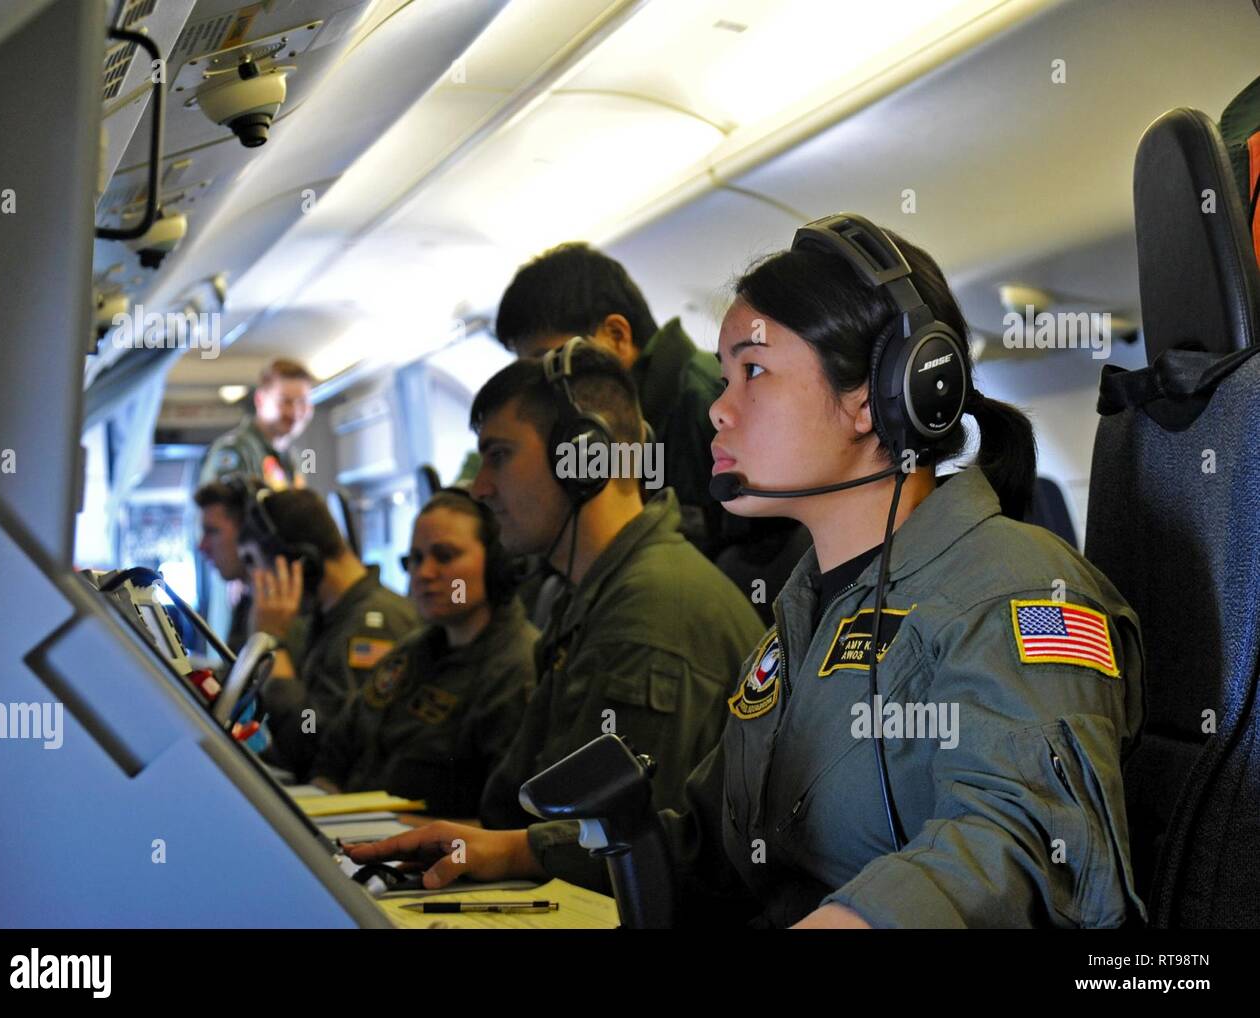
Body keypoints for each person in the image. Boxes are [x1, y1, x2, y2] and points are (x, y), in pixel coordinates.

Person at [346, 215, 1147, 930]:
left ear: (873, 396)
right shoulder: (799, 616)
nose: (717, 410)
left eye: (754, 373)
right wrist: (515, 851)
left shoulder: (1022, 591)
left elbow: (1026, 839)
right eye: (723, 379)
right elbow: (711, 845)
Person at [462, 340, 765, 829]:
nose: (480, 488)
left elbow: (617, 844)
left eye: (499, 455)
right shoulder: (592, 595)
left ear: (584, 458)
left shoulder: (651, 613)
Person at [493, 242, 809, 625]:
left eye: (550, 360)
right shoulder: (625, 420)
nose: (543, 385)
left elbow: (769, 547)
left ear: (616, 335)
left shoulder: (702, 400)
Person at [310, 490, 537, 817]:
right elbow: (335, 751)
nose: (424, 573)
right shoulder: (410, 652)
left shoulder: (518, 670)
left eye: (444, 556)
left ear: (497, 564)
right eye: (414, 559)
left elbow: (508, 825)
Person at [238, 487, 419, 781]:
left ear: (302, 563)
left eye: (254, 564)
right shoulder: (331, 618)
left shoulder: (374, 627)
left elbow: (314, 746)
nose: (251, 583)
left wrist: (274, 644)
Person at [198, 358, 315, 490]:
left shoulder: (291, 457)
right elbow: (220, 508)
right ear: (260, 400)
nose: (294, 411)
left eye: (302, 402)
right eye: (285, 401)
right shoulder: (236, 450)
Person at [192, 480, 254, 655]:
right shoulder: (246, 604)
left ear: (248, 534)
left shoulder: (283, 618)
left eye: (211, 531)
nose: (202, 546)